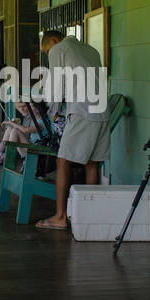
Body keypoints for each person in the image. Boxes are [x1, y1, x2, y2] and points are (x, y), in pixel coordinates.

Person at [36, 29, 109, 230]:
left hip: (82, 111)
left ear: (53, 40)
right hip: (102, 112)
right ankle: (90, 215)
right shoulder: (91, 49)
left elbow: (56, 85)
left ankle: (60, 216)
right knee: (92, 164)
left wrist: (54, 111)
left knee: (63, 160)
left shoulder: (60, 48)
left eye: (46, 50)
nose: (48, 54)